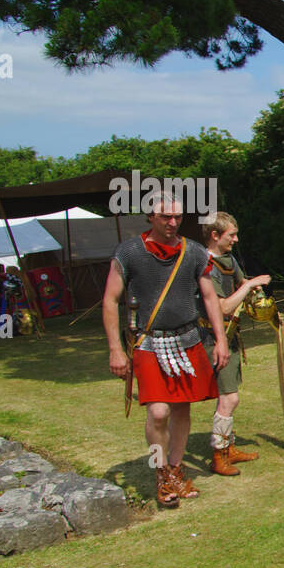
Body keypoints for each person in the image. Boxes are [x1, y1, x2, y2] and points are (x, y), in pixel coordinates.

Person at [104, 195, 229, 508]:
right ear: (150, 216)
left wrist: (221, 339)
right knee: (158, 412)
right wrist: (115, 350)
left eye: (177, 217)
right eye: (165, 217)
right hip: (148, 342)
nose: (172, 223)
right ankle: (161, 473)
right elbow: (110, 299)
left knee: (182, 409)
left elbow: (210, 297)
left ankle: (175, 470)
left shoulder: (194, 251)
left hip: (187, 340)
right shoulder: (129, 252)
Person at [198, 211, 271, 476]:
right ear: (215, 236)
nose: (236, 240)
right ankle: (219, 455)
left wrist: (255, 294)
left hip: (230, 335)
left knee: (230, 396)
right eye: (231, 235)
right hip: (211, 339)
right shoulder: (206, 265)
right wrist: (250, 284)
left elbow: (240, 285)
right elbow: (224, 306)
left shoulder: (227, 260)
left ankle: (228, 447)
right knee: (229, 398)